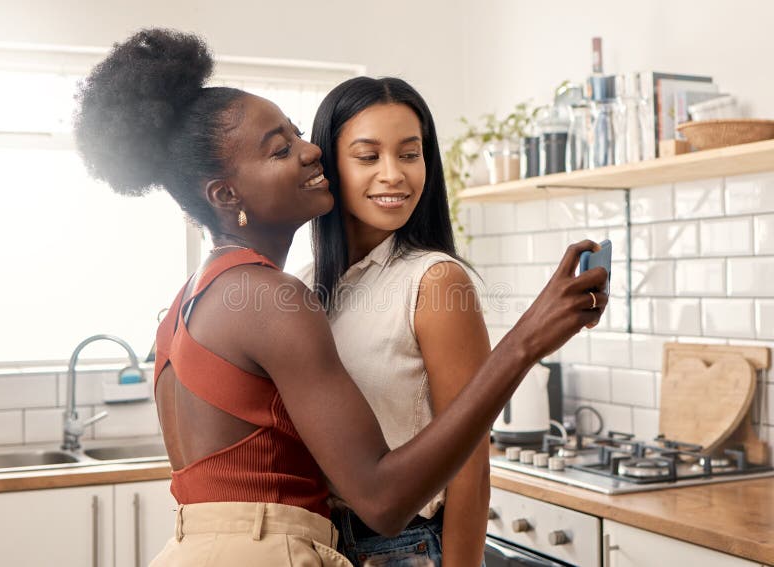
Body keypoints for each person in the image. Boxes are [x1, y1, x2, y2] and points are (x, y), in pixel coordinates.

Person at [73, 28, 608, 567]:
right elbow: (381, 497)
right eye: (282, 149)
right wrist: (525, 342)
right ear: (226, 194)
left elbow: (468, 470)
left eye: (410, 153)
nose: (310, 153)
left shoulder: (190, 304)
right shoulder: (281, 294)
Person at [302, 76, 489, 566]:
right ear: (330, 165)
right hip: (314, 543)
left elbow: (469, 462)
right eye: (368, 156)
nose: (394, 175)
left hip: (404, 550)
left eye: (409, 154)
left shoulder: (435, 281)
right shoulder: (302, 286)